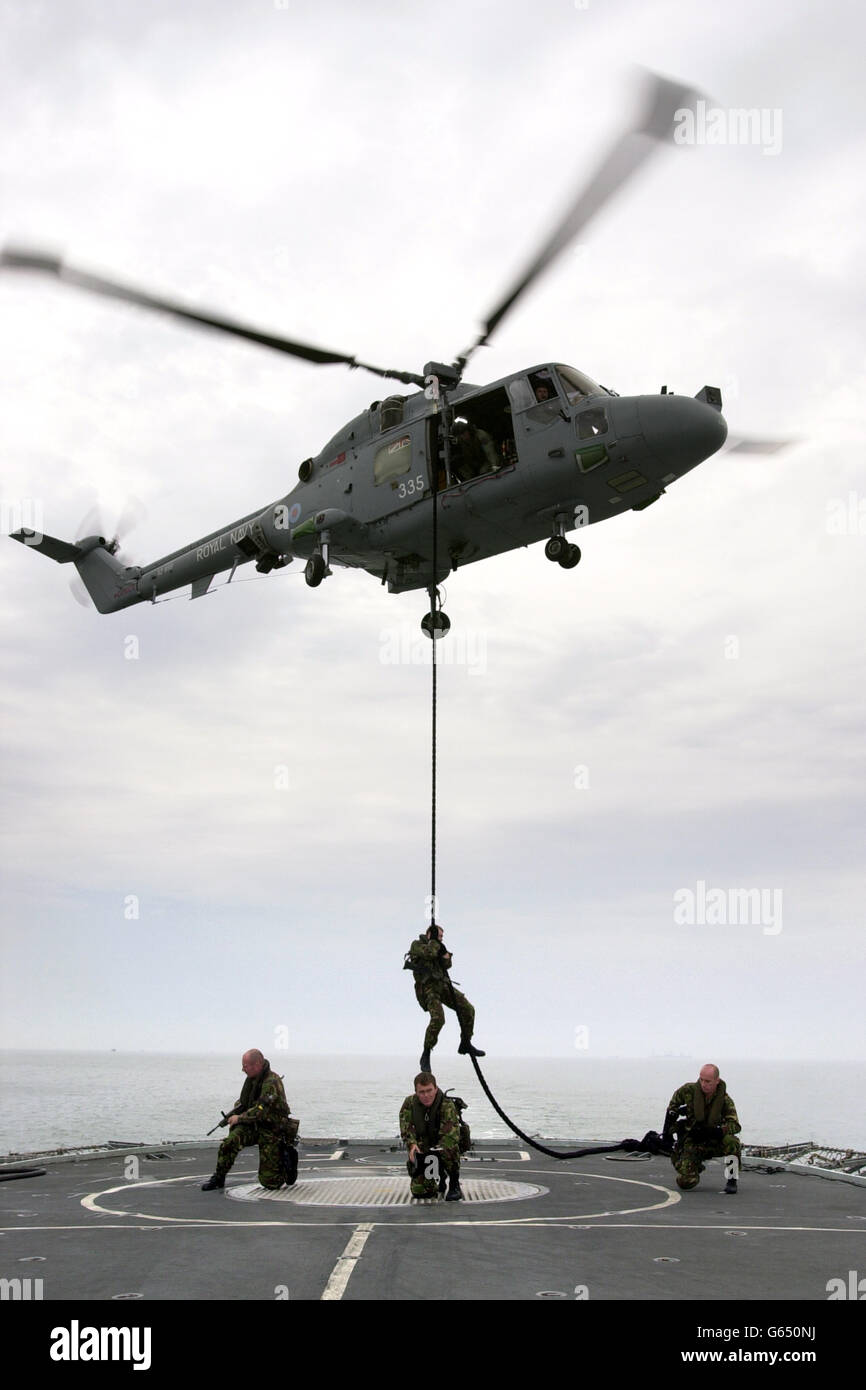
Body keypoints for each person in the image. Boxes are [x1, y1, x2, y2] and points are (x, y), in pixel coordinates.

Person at [201, 1049, 297, 1191]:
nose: (243, 1069)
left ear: (257, 1064)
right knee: (230, 1142)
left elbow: (260, 1110)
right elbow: (245, 1102)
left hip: (272, 1129)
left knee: (270, 1183)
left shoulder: (271, 1082)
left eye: (246, 1066)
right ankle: (219, 1177)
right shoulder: (252, 1081)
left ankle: (288, 1162)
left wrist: (239, 1118)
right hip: (253, 1124)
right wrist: (235, 1112)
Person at [406, 922, 484, 1071]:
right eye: (438, 935)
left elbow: (447, 964)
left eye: (441, 936)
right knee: (438, 1019)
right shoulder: (416, 944)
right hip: (428, 988)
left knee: (468, 1009)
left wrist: (443, 952)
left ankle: (465, 1043)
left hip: (443, 985)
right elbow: (428, 953)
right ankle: (426, 1052)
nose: (441, 939)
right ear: (430, 934)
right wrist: (435, 943)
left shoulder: (439, 947)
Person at [664, 1063, 742, 1193]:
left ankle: (732, 1180)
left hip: (714, 1140)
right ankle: (694, 1166)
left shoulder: (724, 1100)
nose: (703, 1084)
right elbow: (672, 1108)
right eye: (701, 1080)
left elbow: (735, 1125)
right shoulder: (688, 1091)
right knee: (686, 1182)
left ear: (717, 1081)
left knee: (732, 1143)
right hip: (693, 1140)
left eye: (708, 1081)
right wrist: (667, 1133)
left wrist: (716, 1131)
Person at [399, 1071, 463, 1201]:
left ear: (436, 1088)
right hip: (423, 1149)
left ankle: (454, 1183)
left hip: (443, 1147)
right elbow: (406, 1128)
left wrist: (438, 1151)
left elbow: (450, 1135)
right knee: (421, 1192)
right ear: (416, 1092)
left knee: (449, 1148)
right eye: (422, 1092)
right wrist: (412, 1145)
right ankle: (437, 1179)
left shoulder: (446, 1105)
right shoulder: (409, 1104)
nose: (426, 1095)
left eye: (429, 1090)